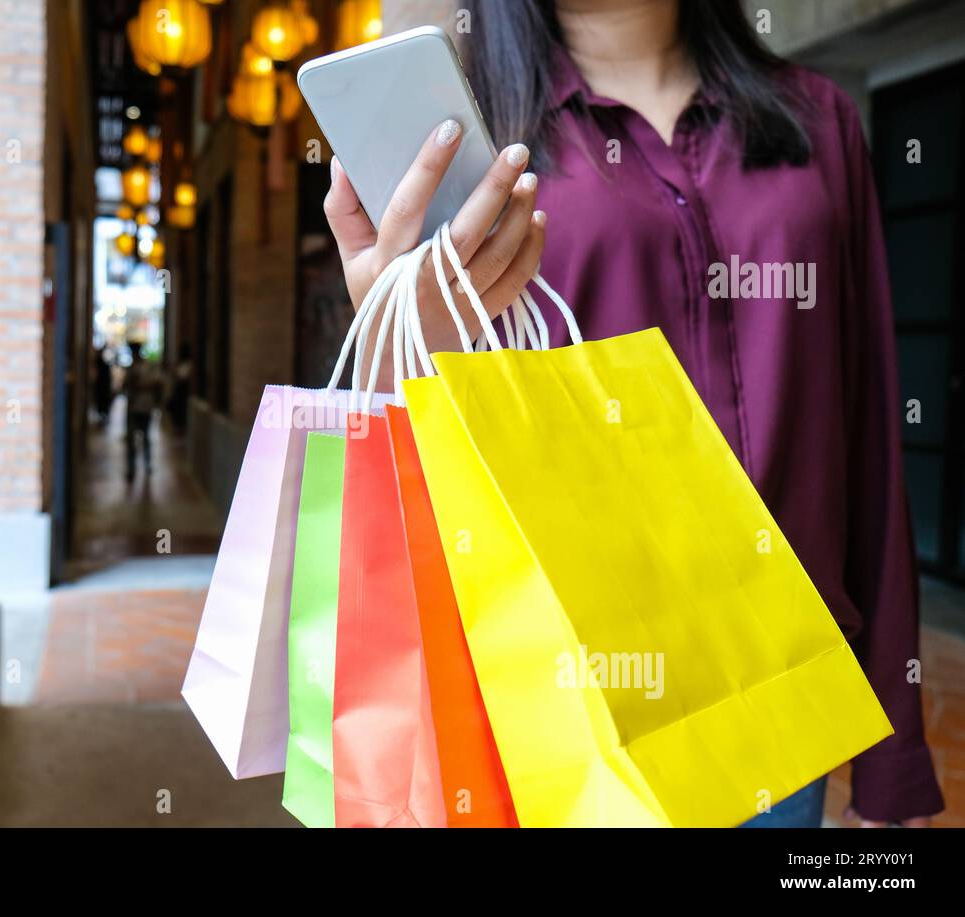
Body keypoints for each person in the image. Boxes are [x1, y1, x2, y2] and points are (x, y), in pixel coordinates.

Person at [323, 0, 943, 827]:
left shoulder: (817, 121)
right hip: (563, 704)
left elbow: (867, 431)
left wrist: (892, 762)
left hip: (778, 686)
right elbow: (435, 431)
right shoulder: (472, 137)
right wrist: (394, 325)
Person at [120, 341, 160, 482]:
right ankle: (133, 468)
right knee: (133, 439)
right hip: (135, 407)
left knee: (145, 438)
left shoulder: (146, 367)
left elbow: (155, 384)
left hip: (144, 407)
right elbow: (125, 386)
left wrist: (138, 386)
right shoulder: (133, 368)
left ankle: (146, 466)